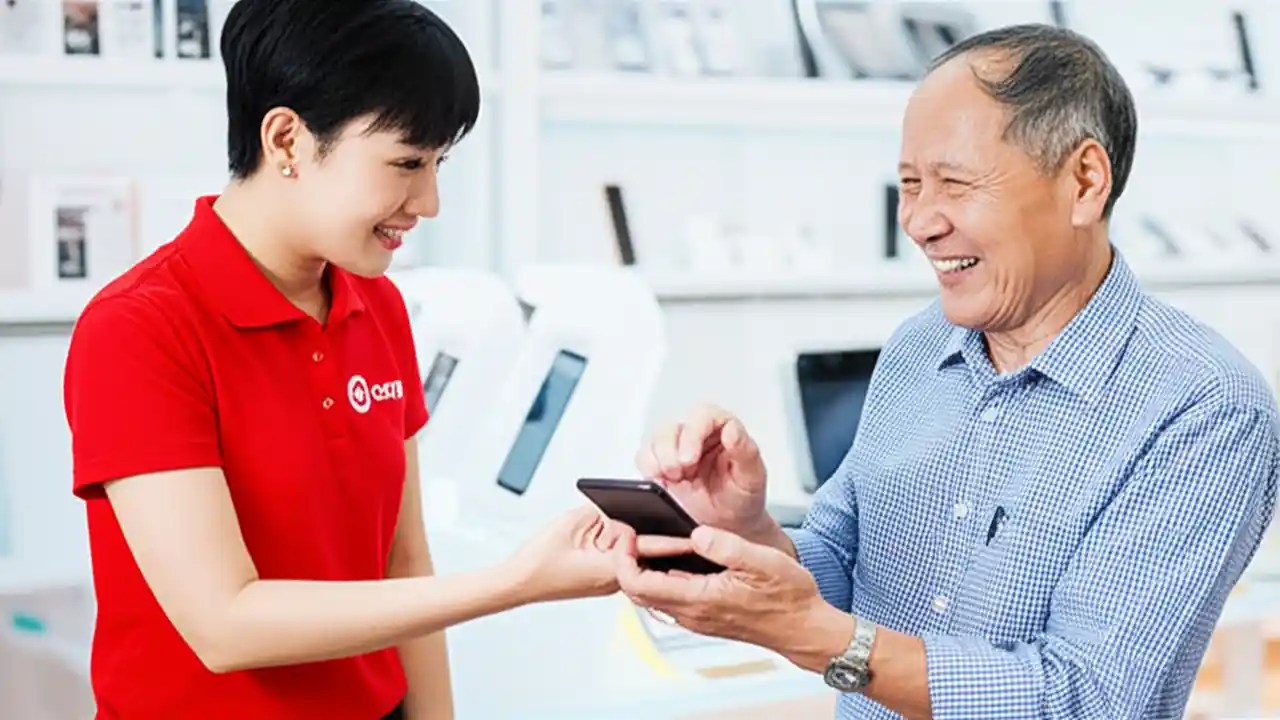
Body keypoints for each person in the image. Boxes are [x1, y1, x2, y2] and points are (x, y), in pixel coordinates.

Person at [620, 24, 1280, 720]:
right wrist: (747, 532)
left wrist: (814, 636)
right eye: (909, 185)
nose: (920, 222)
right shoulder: (917, 348)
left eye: (956, 184)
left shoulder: (1205, 408)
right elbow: (842, 560)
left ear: (1084, 182)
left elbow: (1085, 700)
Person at [62, 2, 627, 719]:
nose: (427, 201)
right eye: (405, 163)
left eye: (438, 163)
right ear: (287, 140)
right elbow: (225, 624)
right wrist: (514, 582)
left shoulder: (375, 304)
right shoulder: (139, 329)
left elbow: (403, 558)